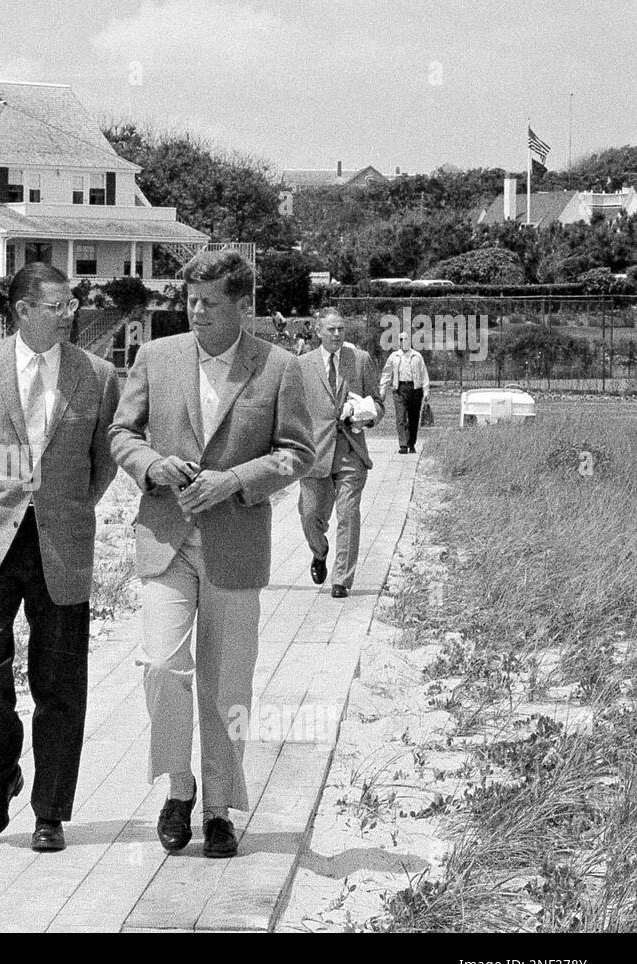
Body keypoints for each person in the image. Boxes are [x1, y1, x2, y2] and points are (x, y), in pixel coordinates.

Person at [109, 251, 314, 858]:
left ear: (243, 306)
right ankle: (178, 788)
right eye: (190, 300)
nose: (196, 311)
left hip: (236, 544)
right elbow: (124, 434)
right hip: (166, 540)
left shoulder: (279, 367)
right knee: (163, 667)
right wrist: (152, 466)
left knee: (229, 682)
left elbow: (296, 453)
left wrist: (234, 480)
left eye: (210, 302)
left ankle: (220, 807)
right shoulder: (156, 357)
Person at [0, 261, 121, 853]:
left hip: (62, 543)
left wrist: (64, 507)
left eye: (71, 303)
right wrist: (0, 499)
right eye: (57, 305)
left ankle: (50, 811)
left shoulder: (99, 375)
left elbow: (104, 463)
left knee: (61, 684)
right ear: (23, 309)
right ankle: (2, 773)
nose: (69, 312)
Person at [297, 307, 385, 599]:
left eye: (341, 329)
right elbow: (292, 412)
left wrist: (367, 416)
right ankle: (319, 553)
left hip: (350, 451)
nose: (337, 334)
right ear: (318, 331)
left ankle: (341, 579)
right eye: (331, 329)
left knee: (348, 514)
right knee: (311, 515)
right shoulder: (302, 365)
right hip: (315, 453)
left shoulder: (359, 360)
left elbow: (378, 402)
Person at [379, 332, 429, 453]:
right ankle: (403, 445)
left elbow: (424, 373)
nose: (403, 341)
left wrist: (426, 390)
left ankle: (411, 443)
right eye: (401, 339)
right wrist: (383, 389)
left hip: (415, 389)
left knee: (413, 418)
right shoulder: (394, 356)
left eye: (405, 339)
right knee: (401, 418)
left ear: (409, 341)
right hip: (399, 389)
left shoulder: (417, 356)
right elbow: (387, 372)